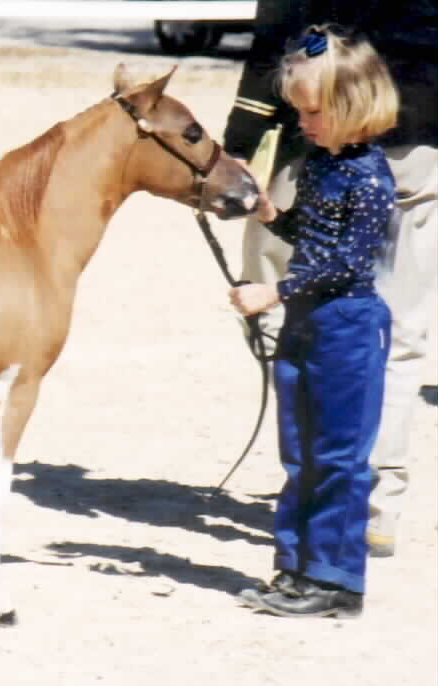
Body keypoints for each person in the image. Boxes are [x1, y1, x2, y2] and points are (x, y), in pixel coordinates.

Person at [223, 0, 438, 558]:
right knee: (401, 332)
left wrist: (243, 136)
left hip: (322, 131)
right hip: (421, 131)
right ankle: (374, 504)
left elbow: (278, 25)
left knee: (292, 320)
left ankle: (322, 489)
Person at [229, 25, 398, 618]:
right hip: (308, 323)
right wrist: (274, 215)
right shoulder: (323, 165)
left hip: (347, 327)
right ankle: (296, 568)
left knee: (339, 459)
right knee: (300, 453)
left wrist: (274, 291)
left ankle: (336, 580)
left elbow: (349, 264)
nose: (303, 122)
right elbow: (310, 234)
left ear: (354, 108)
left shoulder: (371, 179)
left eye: (313, 112)